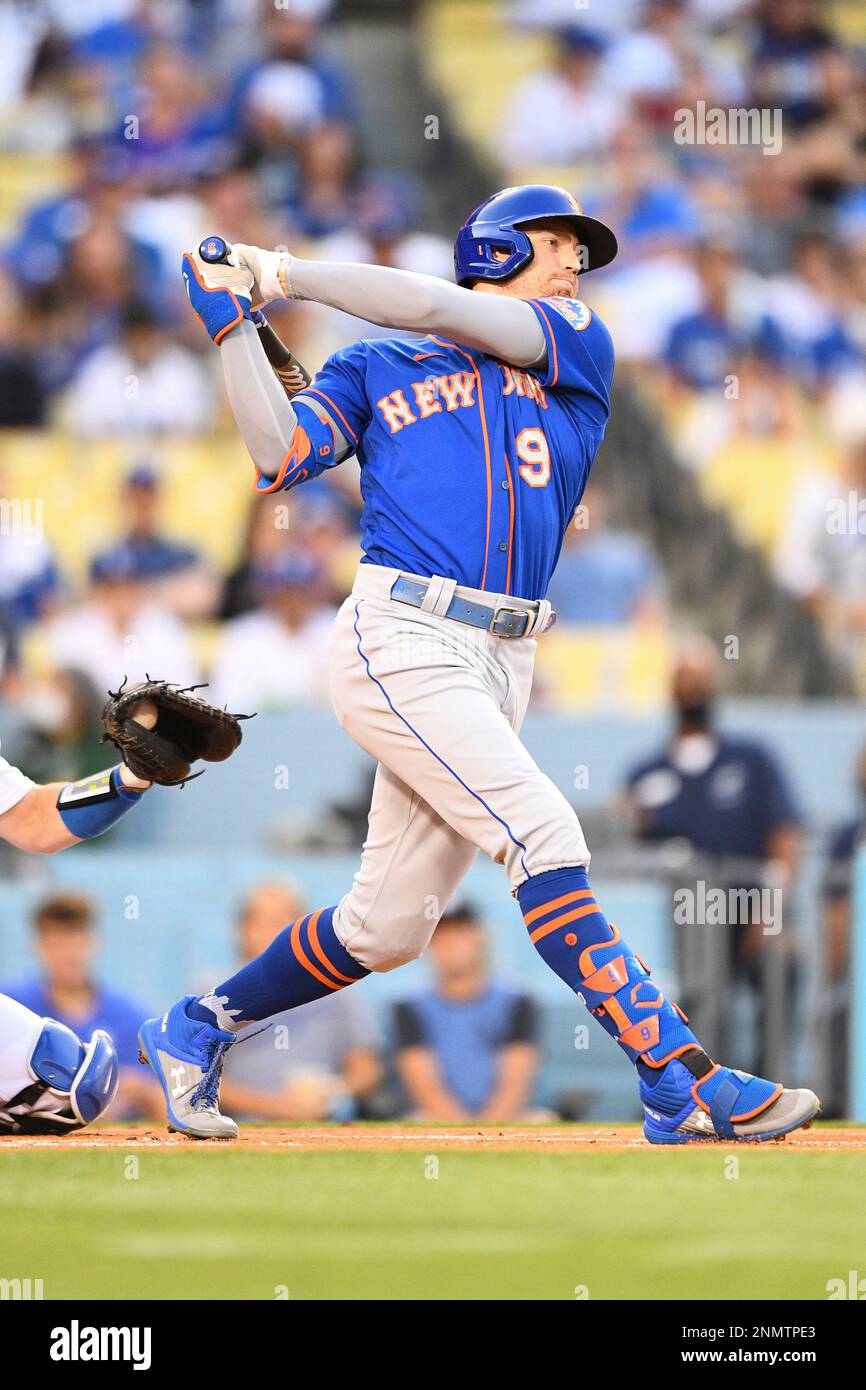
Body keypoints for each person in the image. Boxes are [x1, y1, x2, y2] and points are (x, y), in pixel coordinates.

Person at [138, 182, 819, 1143]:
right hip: (401, 634)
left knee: (387, 928)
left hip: (506, 654)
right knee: (543, 830)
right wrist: (232, 330)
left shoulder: (573, 340)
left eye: (580, 248)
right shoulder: (374, 363)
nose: (576, 259)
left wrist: (280, 273)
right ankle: (680, 1076)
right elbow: (278, 453)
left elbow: (437, 306)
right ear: (496, 247)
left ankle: (192, 1027)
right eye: (556, 241)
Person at [624, 636, 802, 1071]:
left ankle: (769, 1083)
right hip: (682, 918)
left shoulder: (751, 759)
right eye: (685, 681)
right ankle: (689, 1086)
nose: (693, 690)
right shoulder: (647, 773)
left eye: (701, 681)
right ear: (671, 690)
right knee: (687, 995)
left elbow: (785, 835)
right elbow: (630, 851)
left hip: (748, 906)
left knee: (783, 968)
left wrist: (772, 908)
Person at [219, 883, 381, 1121]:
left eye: (280, 922)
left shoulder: (336, 991)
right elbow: (194, 1078)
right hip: (241, 1126)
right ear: (242, 930)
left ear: (300, 930)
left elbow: (366, 1069)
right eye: (260, 922)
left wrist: (334, 1091)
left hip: (320, 1123)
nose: (269, 932)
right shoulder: (214, 991)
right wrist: (274, 1106)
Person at [1, 893, 159, 1121]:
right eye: (57, 942)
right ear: (39, 946)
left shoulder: (129, 1016)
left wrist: (140, 1091)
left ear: (93, 942)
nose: (68, 953)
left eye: (75, 939)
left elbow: (161, 1102)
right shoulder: (13, 1006)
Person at [394, 906, 543, 1123]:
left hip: (510, 1117)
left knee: (543, 1120)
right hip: (436, 1118)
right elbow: (424, 1086)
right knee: (416, 1121)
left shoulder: (516, 999)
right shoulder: (409, 1005)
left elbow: (515, 1082)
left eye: (459, 934)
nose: (450, 945)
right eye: (440, 937)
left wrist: (488, 1132)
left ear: (479, 938)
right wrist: (465, 1132)